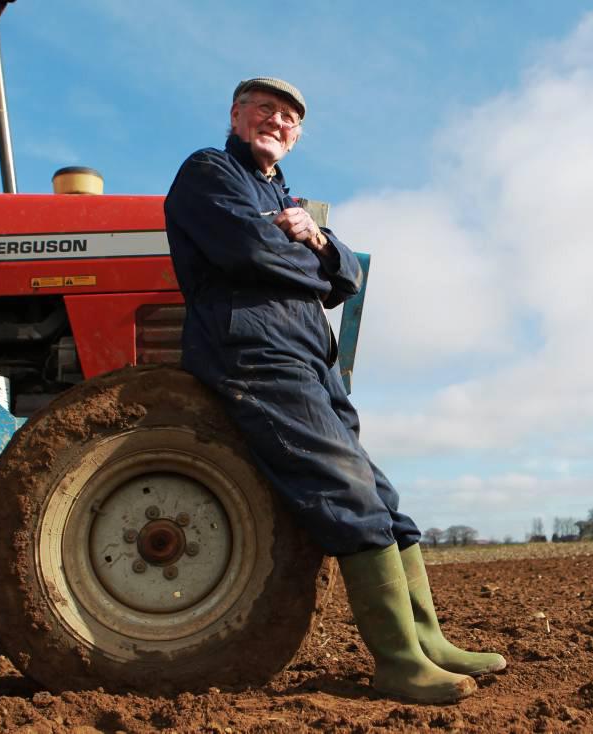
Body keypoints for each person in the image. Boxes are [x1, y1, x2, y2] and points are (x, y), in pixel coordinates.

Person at [164, 77, 505, 703]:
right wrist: (315, 266)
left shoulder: (282, 195)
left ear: (296, 136)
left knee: (381, 493)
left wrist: (318, 242)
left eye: (288, 116)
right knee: (344, 488)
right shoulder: (209, 171)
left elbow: (347, 273)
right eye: (263, 108)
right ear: (236, 115)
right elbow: (249, 251)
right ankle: (398, 661)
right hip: (254, 348)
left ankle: (428, 640)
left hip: (309, 357)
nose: (275, 120)